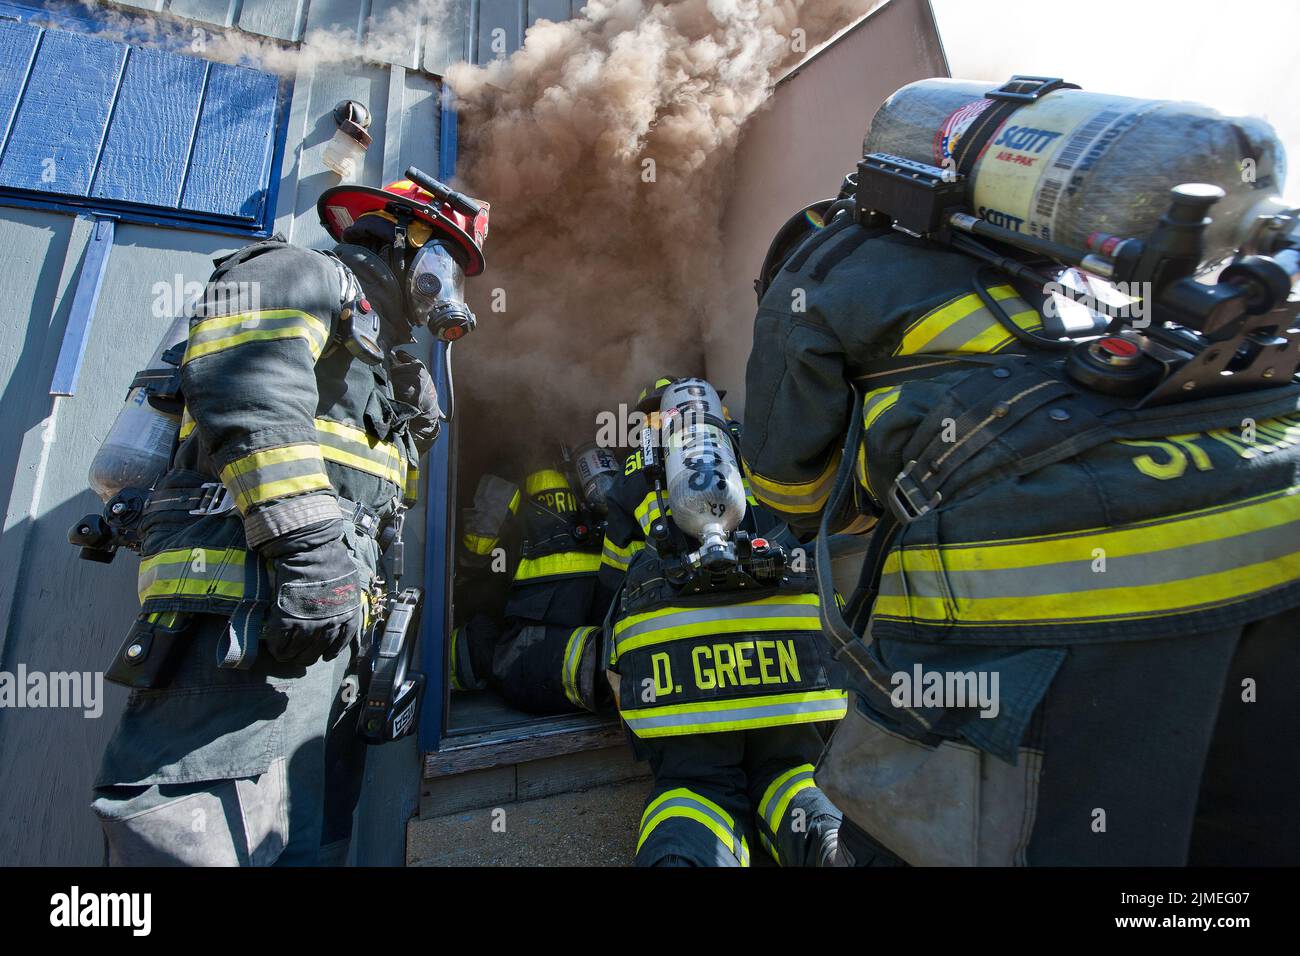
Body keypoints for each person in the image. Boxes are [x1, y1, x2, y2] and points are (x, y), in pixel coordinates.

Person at [740, 84, 1300, 865]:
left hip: (1069, 557)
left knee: (907, 832)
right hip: (1269, 496)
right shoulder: (1061, 251)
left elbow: (786, 492)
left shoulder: (824, 268)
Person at [90, 174, 488, 865]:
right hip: (242, 633)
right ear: (406, 240)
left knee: (306, 844)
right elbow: (247, 386)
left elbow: (369, 504)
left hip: (324, 642)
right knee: (201, 837)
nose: (451, 286)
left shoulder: (385, 363)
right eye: (446, 260)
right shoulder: (298, 273)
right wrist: (310, 554)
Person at [603, 377, 845, 867]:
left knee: (693, 790)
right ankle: (829, 848)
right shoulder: (756, 446)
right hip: (785, 654)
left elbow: (614, 579)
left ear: (655, 414)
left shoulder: (637, 471)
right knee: (791, 776)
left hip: (681, 664)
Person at [450, 452, 615, 715]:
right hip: (600, 605)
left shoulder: (514, 464)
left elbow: (479, 544)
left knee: (490, 645)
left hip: (540, 611)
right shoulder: (594, 470)